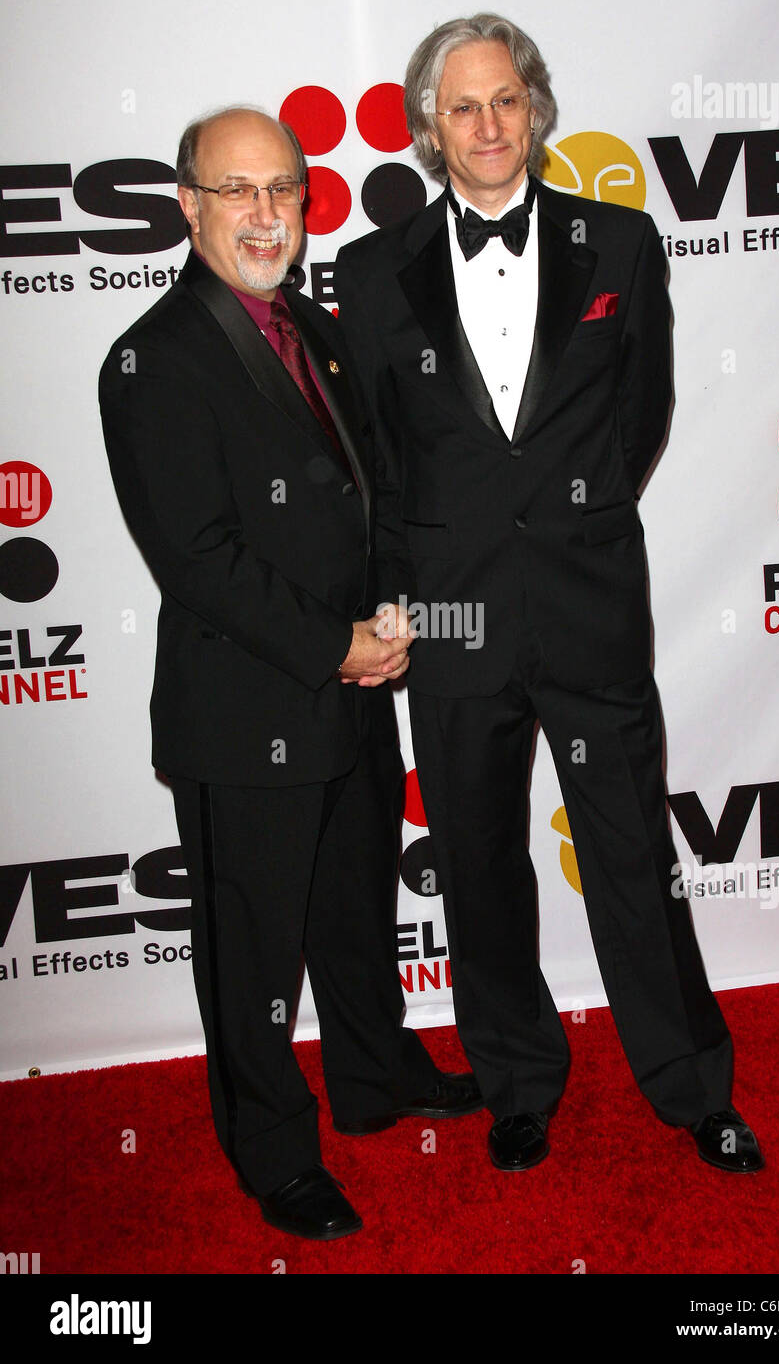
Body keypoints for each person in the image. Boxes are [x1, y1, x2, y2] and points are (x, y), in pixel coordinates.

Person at [335, 16, 763, 1175]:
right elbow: (373, 459)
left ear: (536, 107)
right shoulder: (371, 274)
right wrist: (398, 599)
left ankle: (691, 1086)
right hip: (456, 617)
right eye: (462, 107)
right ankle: (518, 1078)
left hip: (590, 606)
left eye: (506, 101)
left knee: (634, 851)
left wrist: (575, 519)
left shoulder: (621, 245)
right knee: (477, 858)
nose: (487, 126)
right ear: (431, 124)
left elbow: (643, 419)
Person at [99, 106, 481, 1241]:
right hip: (249, 709)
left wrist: (393, 612)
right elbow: (199, 560)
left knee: (355, 906)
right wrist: (336, 644)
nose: (268, 215)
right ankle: (271, 1150)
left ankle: (373, 1076)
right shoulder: (154, 358)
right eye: (238, 192)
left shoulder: (311, 328)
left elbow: (373, 492)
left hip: (356, 694)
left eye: (285, 190)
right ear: (189, 207)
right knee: (254, 949)